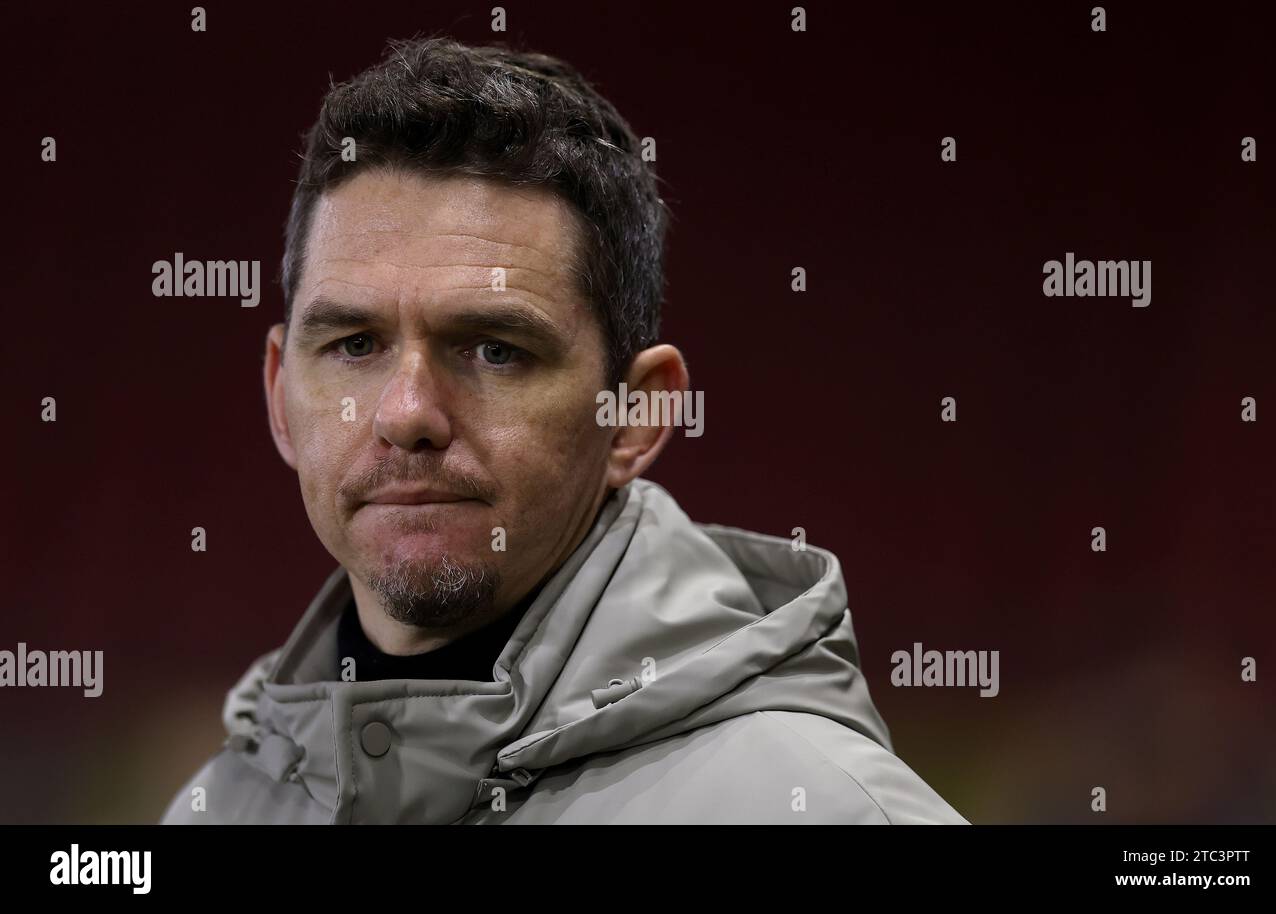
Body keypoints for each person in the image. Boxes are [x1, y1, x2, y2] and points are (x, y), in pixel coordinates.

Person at [161, 34, 967, 825]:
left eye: (495, 350)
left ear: (636, 414)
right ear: (280, 396)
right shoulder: (216, 810)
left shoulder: (825, 810)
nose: (407, 413)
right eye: (356, 345)